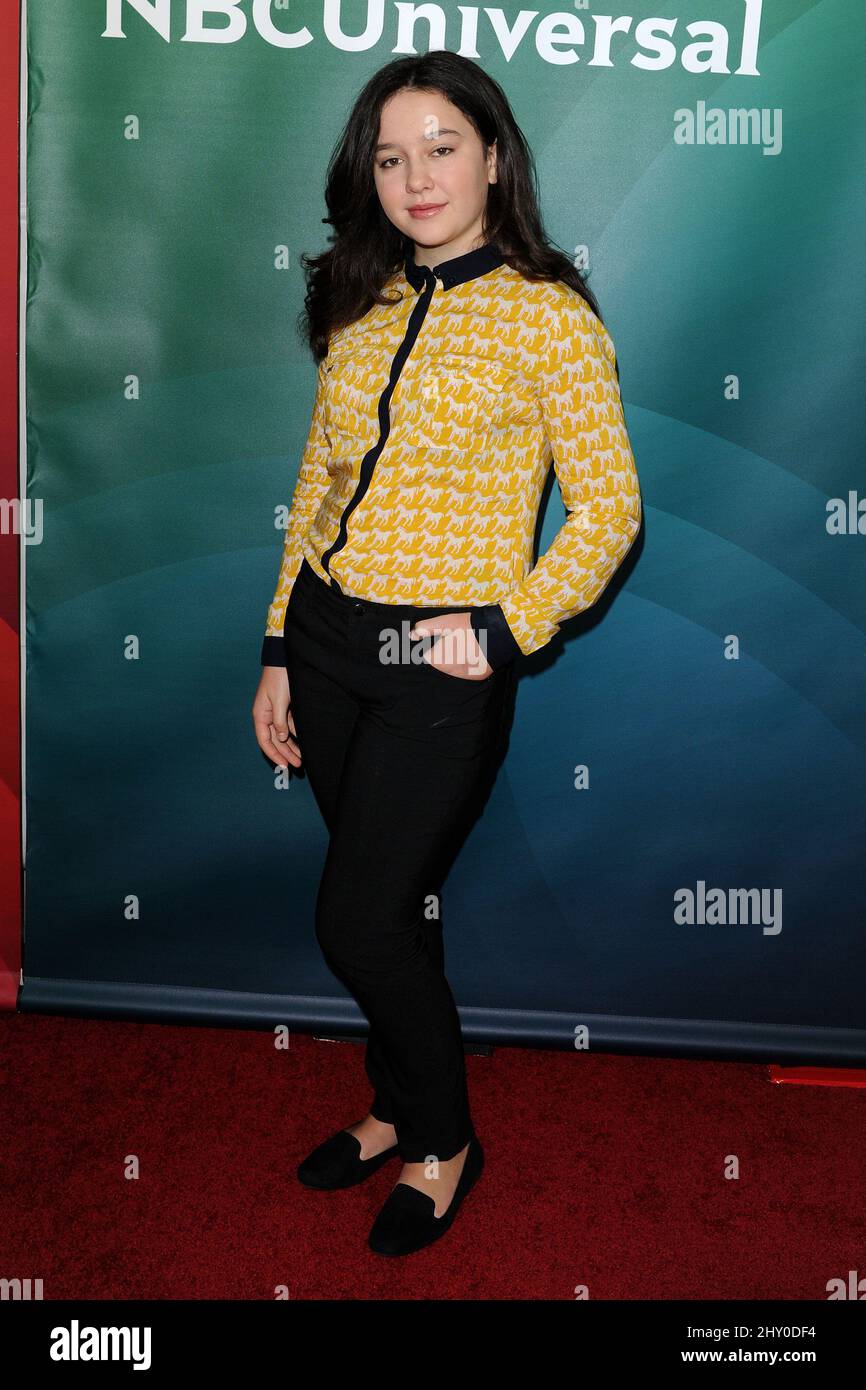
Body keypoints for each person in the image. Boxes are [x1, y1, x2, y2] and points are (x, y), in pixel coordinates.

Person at [252, 51, 642, 1258]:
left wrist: (503, 627)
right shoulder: (355, 299)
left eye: (438, 147)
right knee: (392, 914)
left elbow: (611, 507)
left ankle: (443, 1140)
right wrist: (276, 643)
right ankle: (393, 1103)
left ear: (491, 155)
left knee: (360, 921)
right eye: (388, 155)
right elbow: (317, 485)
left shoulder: (548, 312)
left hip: (438, 669)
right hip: (323, 638)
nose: (414, 176)